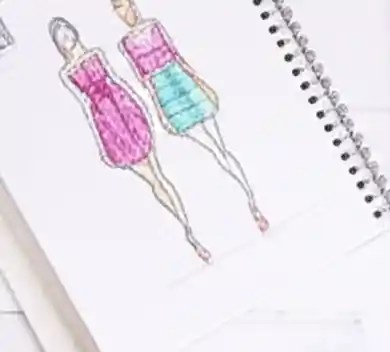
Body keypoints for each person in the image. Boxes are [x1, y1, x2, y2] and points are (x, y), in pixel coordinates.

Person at [51, 17, 210, 263]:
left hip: (124, 107)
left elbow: (117, 79)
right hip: (106, 121)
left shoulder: (96, 53)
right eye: (60, 37)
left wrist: (141, 109)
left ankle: (190, 229)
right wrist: (102, 143)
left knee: (160, 175)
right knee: (153, 181)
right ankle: (188, 231)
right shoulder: (67, 72)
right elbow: (84, 104)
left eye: (67, 32)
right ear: (57, 44)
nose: (67, 39)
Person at [112, 0, 269, 232]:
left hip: (184, 83)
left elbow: (178, 58)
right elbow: (145, 81)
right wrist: (161, 113)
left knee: (221, 148)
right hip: (167, 97)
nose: (125, 11)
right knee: (214, 151)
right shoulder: (125, 44)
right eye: (118, 8)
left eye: (125, 4)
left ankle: (252, 201)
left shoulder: (154, 26)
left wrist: (202, 83)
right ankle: (250, 203)